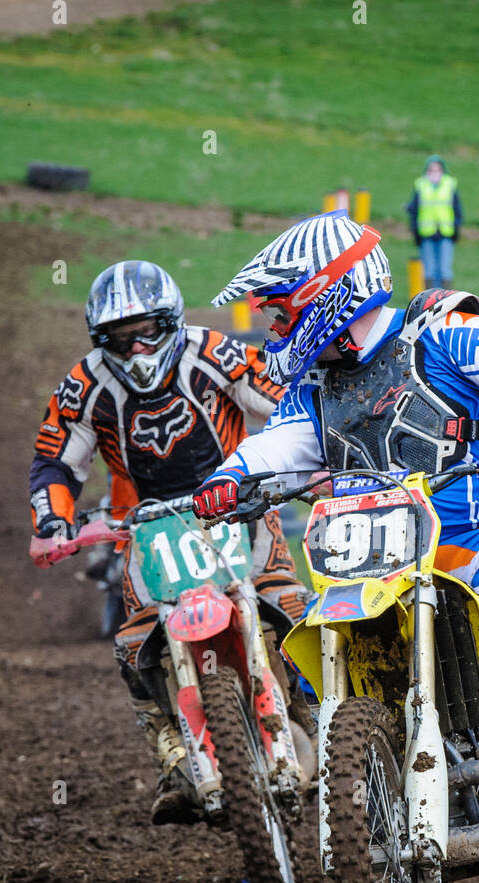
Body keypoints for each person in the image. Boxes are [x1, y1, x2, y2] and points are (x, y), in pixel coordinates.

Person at [191, 210, 479, 834]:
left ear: (329, 293)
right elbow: (278, 448)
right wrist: (228, 479)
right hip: (379, 552)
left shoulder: (443, 338)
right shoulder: (315, 386)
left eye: (279, 308)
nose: (272, 325)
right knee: (311, 634)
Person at [29, 260, 313, 823]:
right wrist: (52, 521)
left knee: (288, 606)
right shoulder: (84, 385)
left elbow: (283, 405)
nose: (135, 350)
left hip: (236, 504)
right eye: (119, 338)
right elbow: (55, 461)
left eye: (148, 332)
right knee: (133, 643)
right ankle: (173, 755)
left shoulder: (213, 352)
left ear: (173, 322)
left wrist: (306, 462)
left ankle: (325, 720)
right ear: (100, 340)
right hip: (147, 523)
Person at [406, 155, 462, 289]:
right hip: (426, 233)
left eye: (437, 169)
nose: (434, 173)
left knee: (445, 269)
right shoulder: (421, 185)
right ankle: (431, 299)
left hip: (445, 232)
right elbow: (414, 210)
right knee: (429, 270)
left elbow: (457, 209)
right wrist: (415, 231)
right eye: (431, 170)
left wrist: (456, 229)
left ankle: (446, 298)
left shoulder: (449, 185)